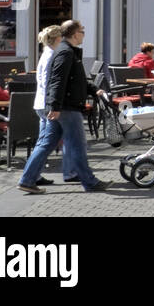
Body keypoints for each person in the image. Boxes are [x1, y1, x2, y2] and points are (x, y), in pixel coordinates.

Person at [20, 20, 110, 193]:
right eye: (82, 31)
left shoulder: (68, 52)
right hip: (66, 107)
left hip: (62, 106)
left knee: (46, 143)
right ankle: (90, 182)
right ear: (75, 34)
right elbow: (56, 81)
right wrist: (54, 106)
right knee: (77, 144)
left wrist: (94, 89)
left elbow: (76, 79)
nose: (84, 34)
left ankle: (28, 180)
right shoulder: (65, 53)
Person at [16, 25, 62, 189]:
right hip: (47, 104)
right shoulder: (52, 56)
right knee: (48, 142)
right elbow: (48, 82)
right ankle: (27, 179)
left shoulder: (46, 54)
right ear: (58, 39)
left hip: (41, 103)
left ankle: (34, 176)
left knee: (43, 142)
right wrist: (53, 104)